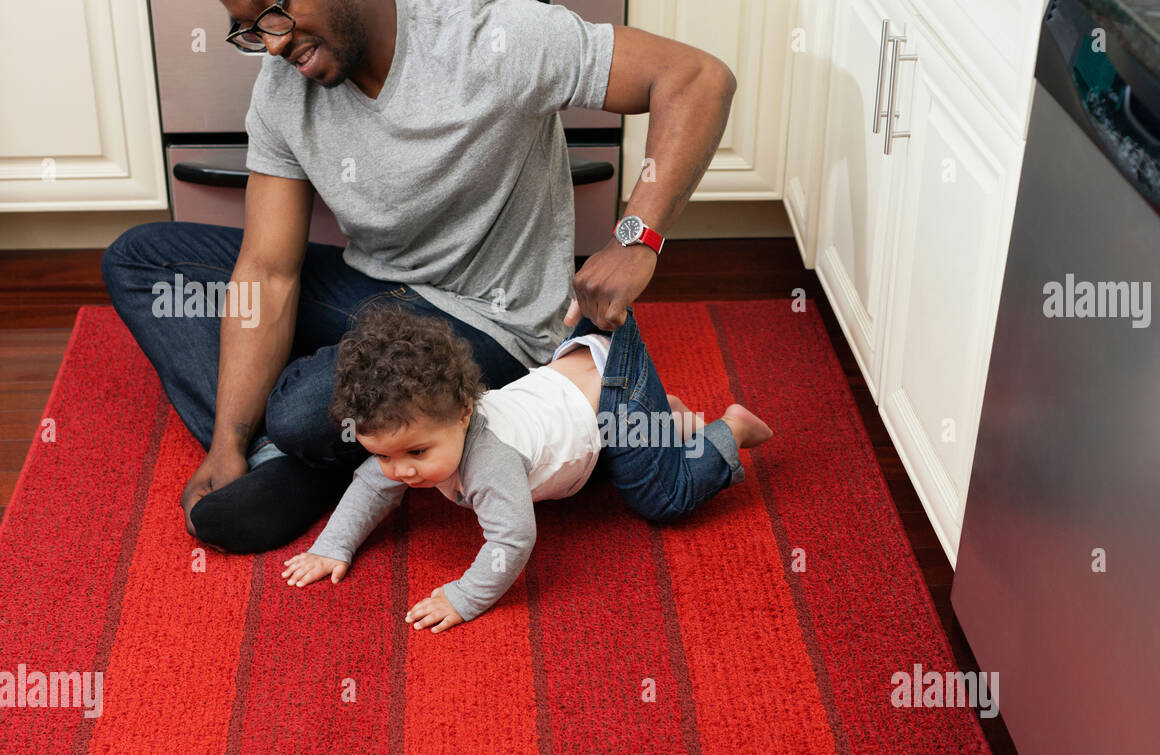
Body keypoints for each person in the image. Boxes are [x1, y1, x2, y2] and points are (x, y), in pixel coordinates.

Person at [99, 0, 737, 553]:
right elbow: (267, 274)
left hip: (491, 326)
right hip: (378, 294)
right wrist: (226, 443)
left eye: (274, 14)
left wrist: (638, 238)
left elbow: (697, 78)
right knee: (141, 261)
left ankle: (339, 442)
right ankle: (371, 445)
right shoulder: (281, 90)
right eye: (247, 30)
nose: (272, 43)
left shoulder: (493, 38)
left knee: (300, 410)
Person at [280, 303, 773, 631]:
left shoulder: (489, 463)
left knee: (662, 498)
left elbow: (512, 540)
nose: (400, 472)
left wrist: (464, 597)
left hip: (610, 394)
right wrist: (334, 545)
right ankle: (665, 415)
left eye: (416, 454)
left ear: (465, 412)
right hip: (577, 375)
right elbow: (370, 485)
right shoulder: (428, 430)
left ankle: (729, 429)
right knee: (608, 460)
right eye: (384, 454)